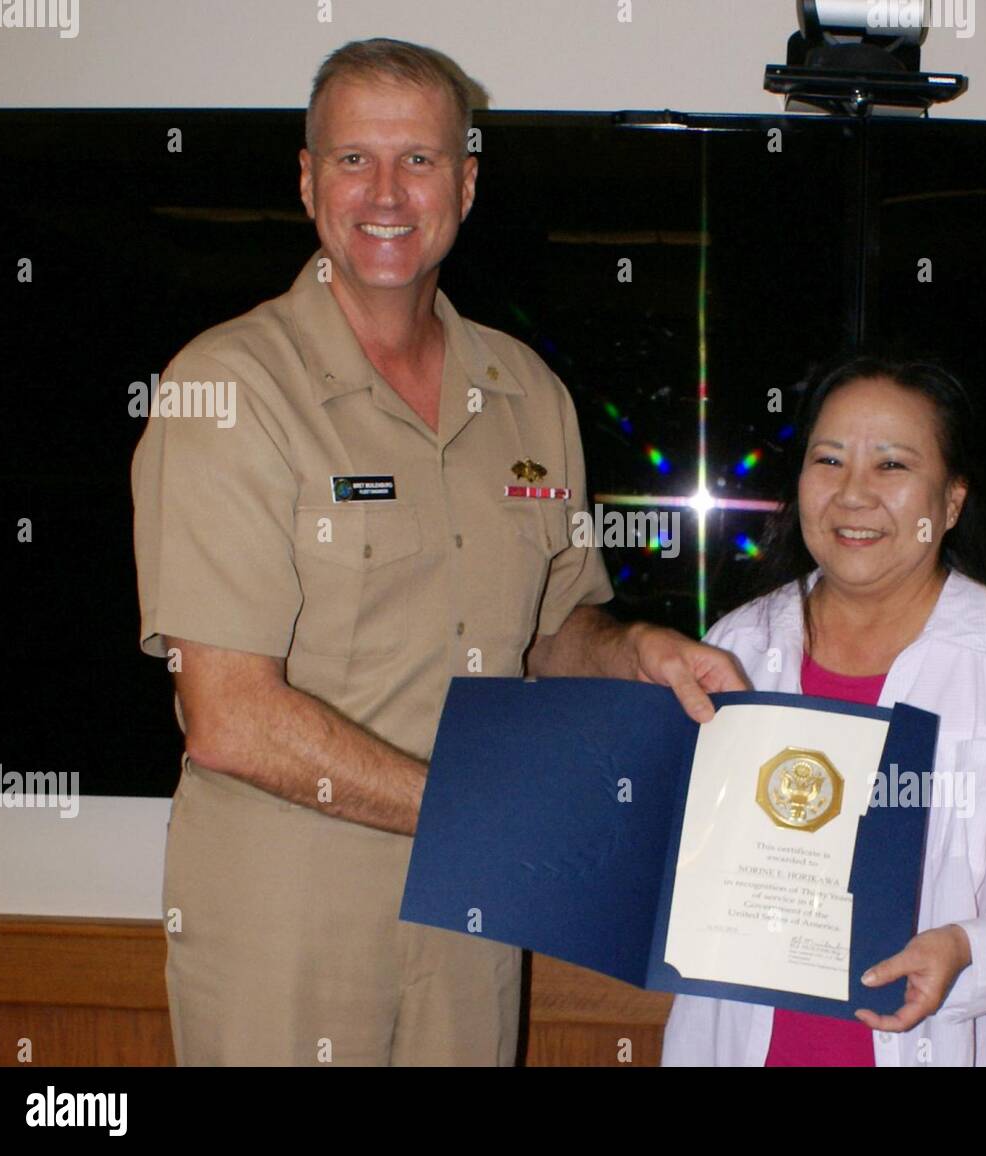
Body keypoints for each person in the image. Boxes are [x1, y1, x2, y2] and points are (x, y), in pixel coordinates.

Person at [131, 38, 743, 1067]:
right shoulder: (229, 388)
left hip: (469, 906)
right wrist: (480, 815)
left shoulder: (525, 391)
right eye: (351, 158)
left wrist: (643, 652)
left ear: (463, 183)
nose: (385, 191)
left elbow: (555, 625)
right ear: (305, 177)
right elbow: (228, 718)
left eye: (417, 159)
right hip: (289, 919)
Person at [662, 356, 986, 1066]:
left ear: (950, 502)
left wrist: (968, 953)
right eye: (829, 460)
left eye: (891, 466)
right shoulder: (736, 647)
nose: (853, 494)